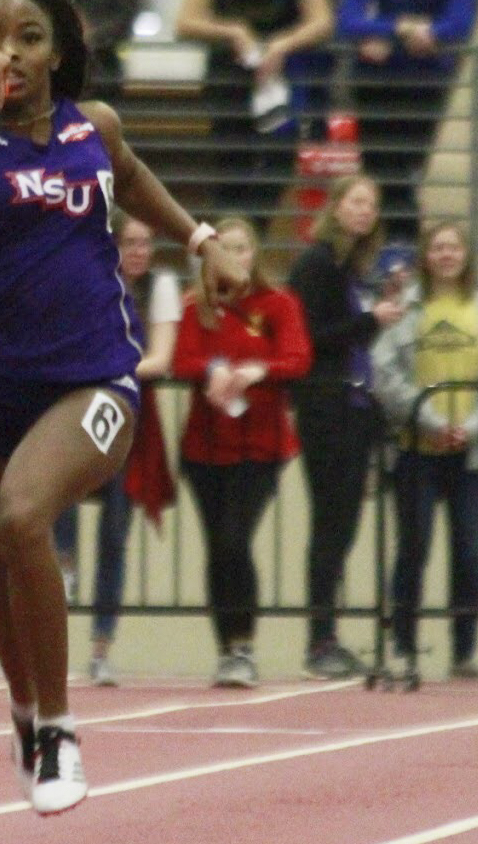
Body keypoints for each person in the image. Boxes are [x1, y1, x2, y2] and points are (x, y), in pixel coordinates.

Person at [0, 0, 240, 815]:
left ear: (58, 52)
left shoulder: (94, 126)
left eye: (25, 37)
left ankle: (58, 725)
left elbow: (127, 176)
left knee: (26, 516)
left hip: (92, 376)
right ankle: (22, 709)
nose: (5, 52)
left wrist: (199, 236)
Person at [370, 221, 478, 682]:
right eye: (438, 247)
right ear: (426, 255)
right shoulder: (409, 307)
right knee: (413, 548)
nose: (446, 254)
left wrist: (470, 428)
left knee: (468, 551)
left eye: (455, 246)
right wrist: (427, 421)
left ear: (467, 255)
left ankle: (463, 651)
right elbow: (382, 369)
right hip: (417, 450)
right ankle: (403, 646)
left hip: (473, 455)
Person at [173, 218, 311, 687]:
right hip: (205, 447)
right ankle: (225, 650)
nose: (233, 256)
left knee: (235, 538)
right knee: (216, 547)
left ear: (255, 254)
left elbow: (297, 358)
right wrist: (211, 372)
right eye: (223, 248)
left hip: (261, 446)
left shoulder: (278, 304)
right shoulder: (196, 307)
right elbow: (182, 357)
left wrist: (255, 371)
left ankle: (245, 646)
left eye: (241, 248)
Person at [50, 212, 181, 686]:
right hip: (85, 408)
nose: (139, 251)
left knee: (115, 534)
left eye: (146, 242)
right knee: (59, 487)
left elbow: (161, 359)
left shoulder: (160, 288)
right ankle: (64, 562)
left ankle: (102, 648)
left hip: (131, 422)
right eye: (131, 241)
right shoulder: (92, 282)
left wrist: (113, 369)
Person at [288, 174, 402, 679]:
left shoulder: (351, 268)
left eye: (371, 204)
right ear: (336, 206)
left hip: (353, 408)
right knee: (330, 524)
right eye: (356, 201)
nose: (364, 211)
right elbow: (311, 338)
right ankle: (320, 638)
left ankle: (326, 633)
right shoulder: (317, 263)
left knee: (343, 525)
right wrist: (372, 320)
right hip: (325, 408)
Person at [175, 0, 334, 225]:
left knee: (279, 166)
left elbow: (323, 21)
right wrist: (232, 31)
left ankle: (250, 236)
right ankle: (230, 237)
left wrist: (284, 43)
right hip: (229, 88)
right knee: (229, 169)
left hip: (278, 89)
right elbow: (185, 22)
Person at [335, 0, 477, 239]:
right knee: (381, 174)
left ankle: (401, 247)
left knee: (405, 173)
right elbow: (347, 20)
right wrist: (400, 29)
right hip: (377, 84)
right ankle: (395, 247)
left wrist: (427, 34)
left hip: (426, 82)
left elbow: (461, 21)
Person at [10, 0, 139, 98]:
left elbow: (126, 14)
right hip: (40, 68)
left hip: (100, 73)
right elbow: (17, 7)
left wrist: (87, 36)